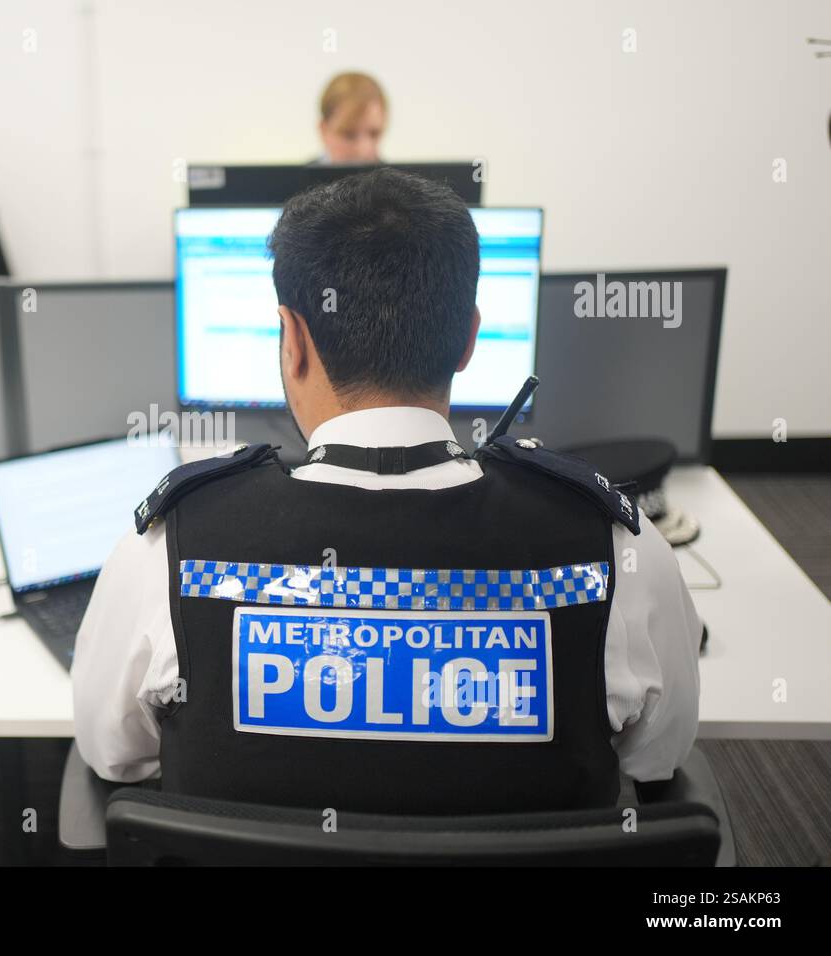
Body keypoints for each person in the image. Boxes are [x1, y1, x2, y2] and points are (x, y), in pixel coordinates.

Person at [72, 169, 701, 815]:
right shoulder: (617, 551)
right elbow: (660, 758)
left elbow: (114, 754)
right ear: (469, 337)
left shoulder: (169, 550)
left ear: (292, 340)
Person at [315, 71, 388, 165]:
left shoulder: (400, 175)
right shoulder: (298, 175)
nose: (363, 149)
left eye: (374, 134)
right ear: (323, 130)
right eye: (349, 135)